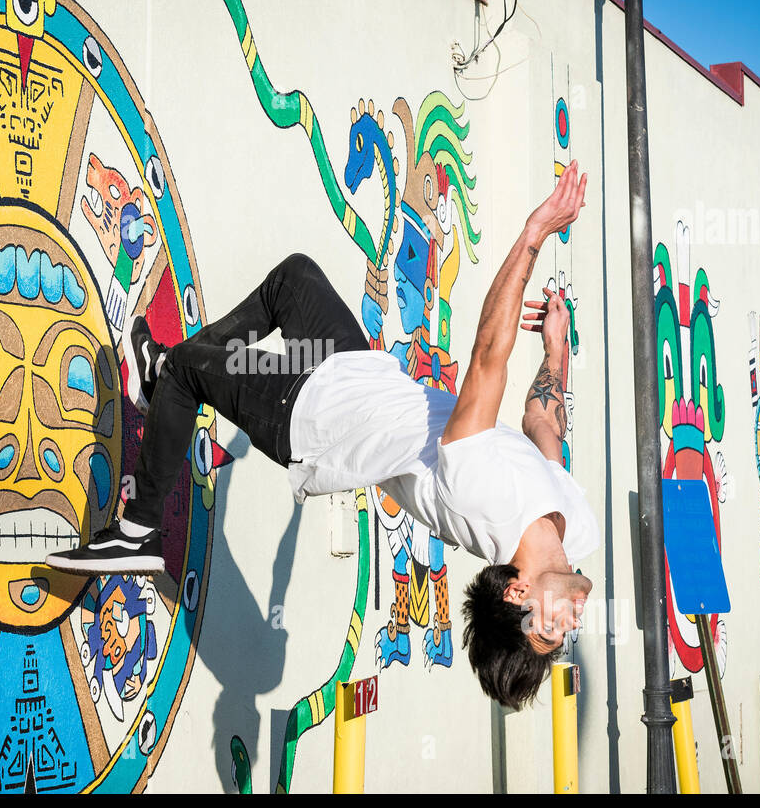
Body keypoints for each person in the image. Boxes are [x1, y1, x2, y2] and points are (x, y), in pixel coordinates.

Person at [48, 161, 600, 708]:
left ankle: (138, 526)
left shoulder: (483, 497)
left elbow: (487, 358)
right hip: (361, 374)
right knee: (295, 280)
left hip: (317, 418)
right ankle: (165, 376)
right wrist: (555, 352)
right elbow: (543, 424)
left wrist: (534, 233)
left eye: (549, 629)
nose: (570, 624)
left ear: (518, 592)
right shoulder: (574, 532)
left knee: (187, 372)